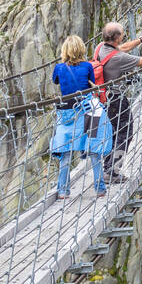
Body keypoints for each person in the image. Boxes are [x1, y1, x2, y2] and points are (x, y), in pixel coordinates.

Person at [92, 23, 142, 182]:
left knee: (114, 133)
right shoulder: (118, 58)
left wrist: (141, 40)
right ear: (116, 38)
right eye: (122, 34)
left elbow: (121, 48)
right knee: (125, 133)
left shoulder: (100, 47)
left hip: (103, 98)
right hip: (117, 100)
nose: (123, 36)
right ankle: (113, 172)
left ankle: (108, 168)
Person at [50, 35, 112, 199]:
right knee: (94, 151)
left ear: (65, 50)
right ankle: (100, 189)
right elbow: (90, 82)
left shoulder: (59, 68)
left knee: (65, 153)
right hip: (88, 110)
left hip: (67, 114)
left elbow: (56, 81)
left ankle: (63, 191)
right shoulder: (87, 66)